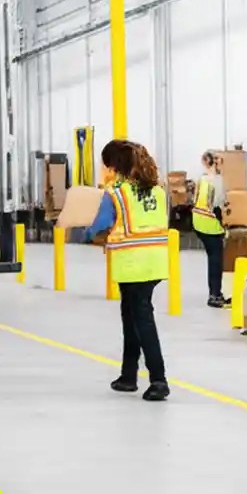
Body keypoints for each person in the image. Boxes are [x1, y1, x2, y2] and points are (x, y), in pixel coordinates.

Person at [84, 140, 170, 402]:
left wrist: (85, 232)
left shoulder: (116, 192)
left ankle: (158, 379)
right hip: (154, 262)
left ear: (114, 165)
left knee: (141, 319)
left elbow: (100, 224)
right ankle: (128, 375)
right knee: (131, 316)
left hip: (132, 264)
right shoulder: (156, 190)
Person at [191, 151, 229, 308]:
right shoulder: (218, 181)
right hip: (210, 225)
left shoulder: (201, 179)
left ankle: (215, 293)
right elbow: (218, 208)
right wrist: (225, 227)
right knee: (216, 260)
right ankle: (214, 295)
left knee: (212, 258)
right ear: (216, 163)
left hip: (197, 221)